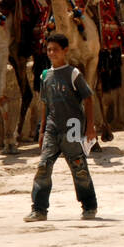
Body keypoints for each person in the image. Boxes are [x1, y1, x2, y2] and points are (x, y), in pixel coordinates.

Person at [25, 32, 99, 222]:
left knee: (79, 168)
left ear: (65, 50)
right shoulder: (45, 76)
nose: (51, 53)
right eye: (49, 50)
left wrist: (90, 127)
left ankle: (89, 205)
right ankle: (39, 209)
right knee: (43, 166)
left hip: (72, 128)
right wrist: (41, 130)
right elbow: (45, 104)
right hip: (51, 128)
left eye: (55, 50)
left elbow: (88, 98)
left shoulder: (73, 74)